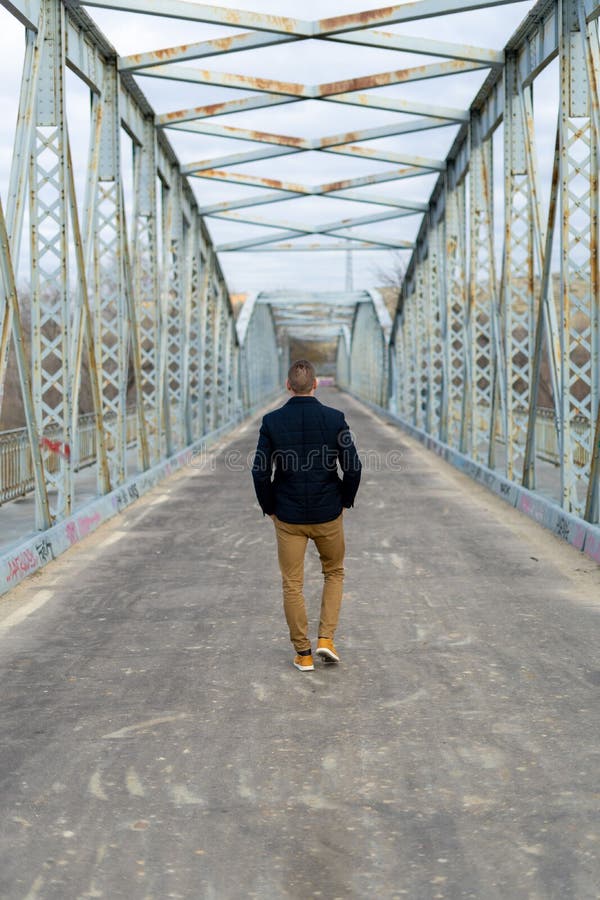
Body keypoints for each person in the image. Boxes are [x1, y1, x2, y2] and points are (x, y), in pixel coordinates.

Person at [251, 359, 361, 672]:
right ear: (315, 385)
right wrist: (345, 501)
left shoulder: (272, 422)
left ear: (288, 386)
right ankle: (326, 639)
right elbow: (353, 466)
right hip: (328, 513)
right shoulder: (335, 418)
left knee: (292, 584)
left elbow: (260, 472)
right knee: (334, 572)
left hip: (288, 517)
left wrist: (269, 507)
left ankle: (304, 653)